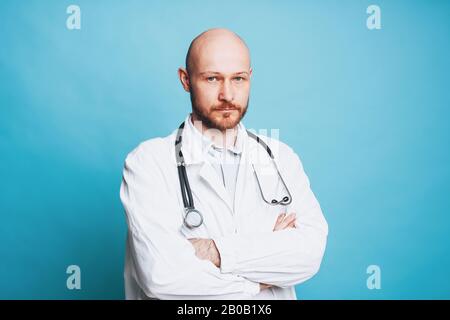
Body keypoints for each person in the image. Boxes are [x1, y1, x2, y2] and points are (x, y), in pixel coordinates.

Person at [120, 28, 328, 299]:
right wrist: (261, 276)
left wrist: (213, 250)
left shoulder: (280, 157)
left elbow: (309, 254)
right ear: (185, 80)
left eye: (238, 79)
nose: (227, 94)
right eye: (212, 78)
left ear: (250, 77)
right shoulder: (149, 162)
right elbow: (163, 276)